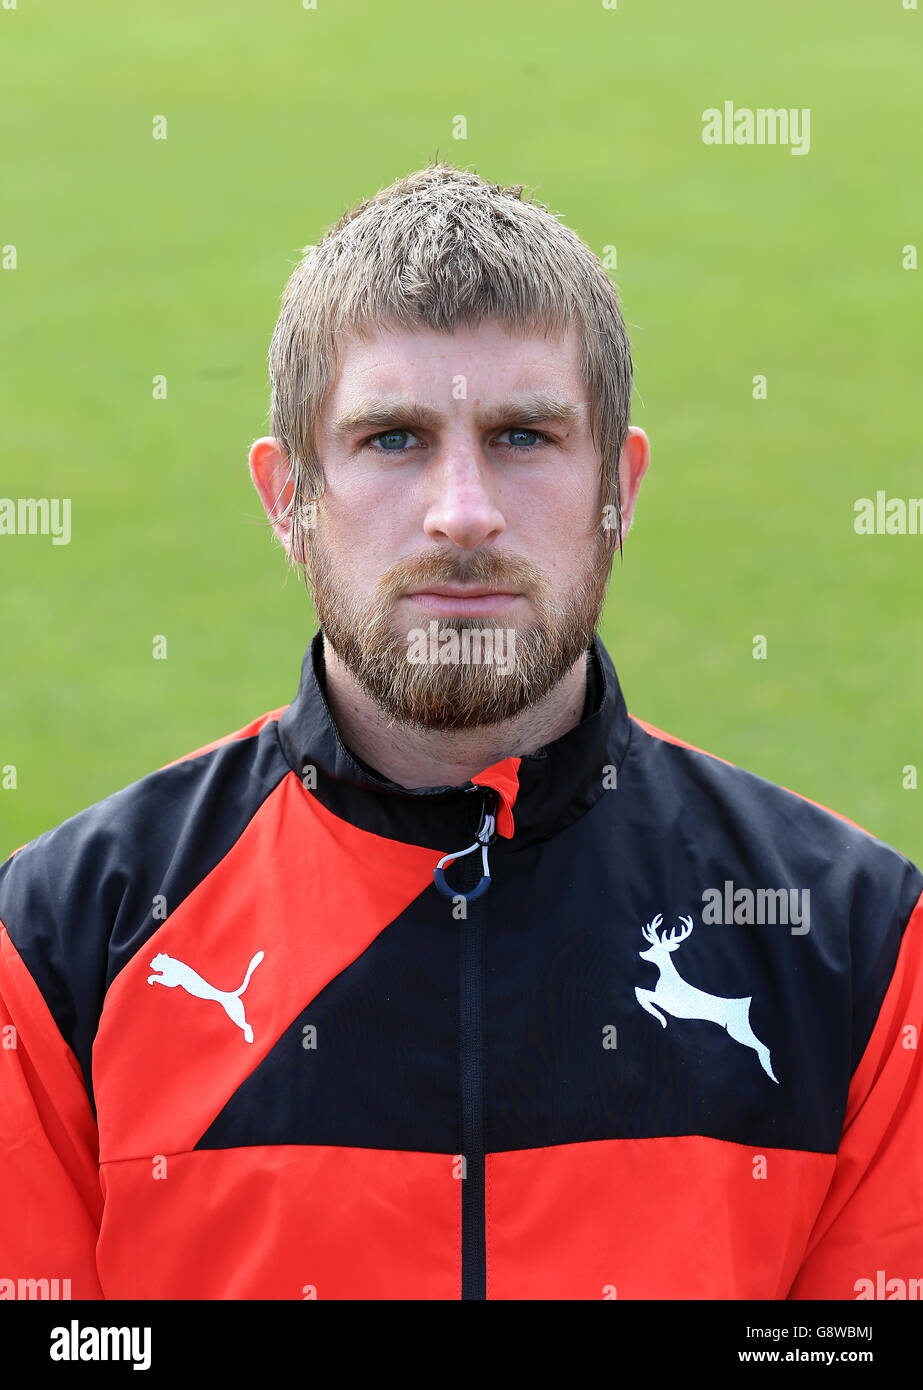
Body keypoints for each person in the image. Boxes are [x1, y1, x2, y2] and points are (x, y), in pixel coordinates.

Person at [1, 162, 920, 1301]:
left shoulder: (857, 946)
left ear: (616, 493)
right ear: (285, 498)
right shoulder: (56, 946)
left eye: (523, 436)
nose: (463, 514)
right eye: (391, 439)